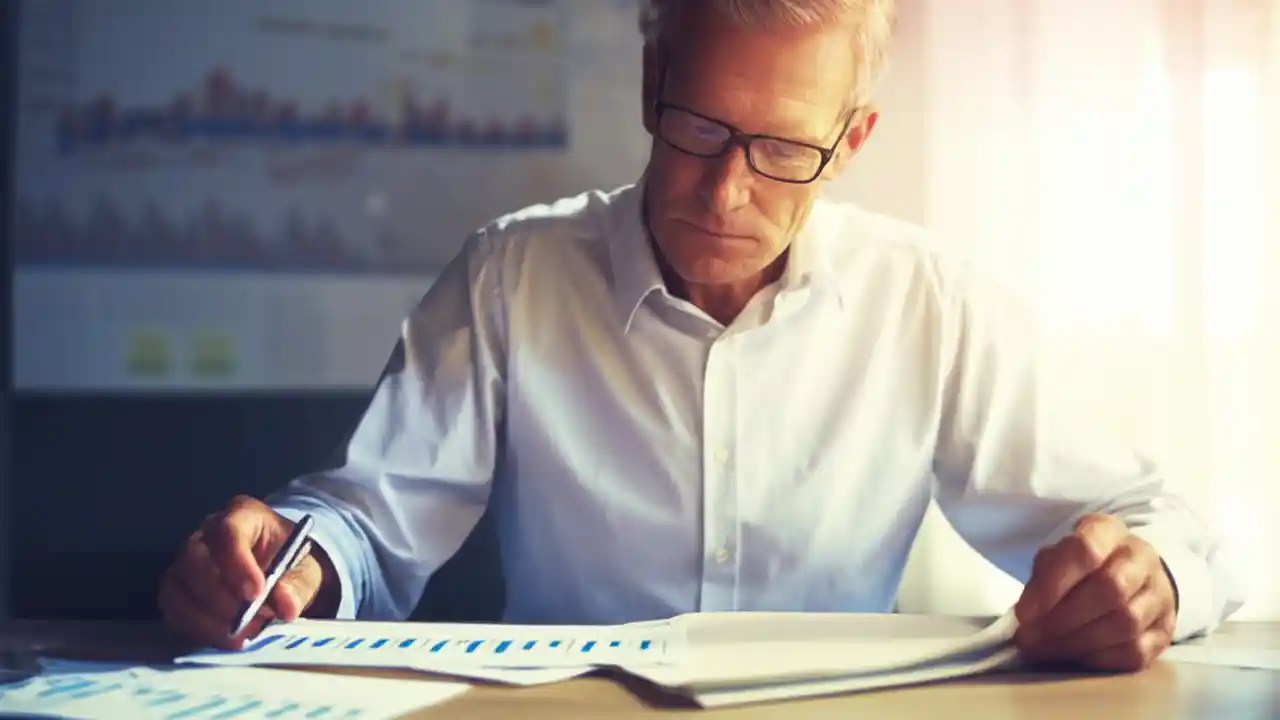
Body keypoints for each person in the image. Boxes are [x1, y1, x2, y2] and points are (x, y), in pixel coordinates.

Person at [159, 0, 1244, 671]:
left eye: (781, 149)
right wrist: (285, 565)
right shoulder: (511, 275)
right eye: (698, 129)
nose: (726, 193)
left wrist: (1145, 576)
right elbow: (367, 528)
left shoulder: (930, 302)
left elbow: (1160, 529)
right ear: (650, 86)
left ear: (852, 139)